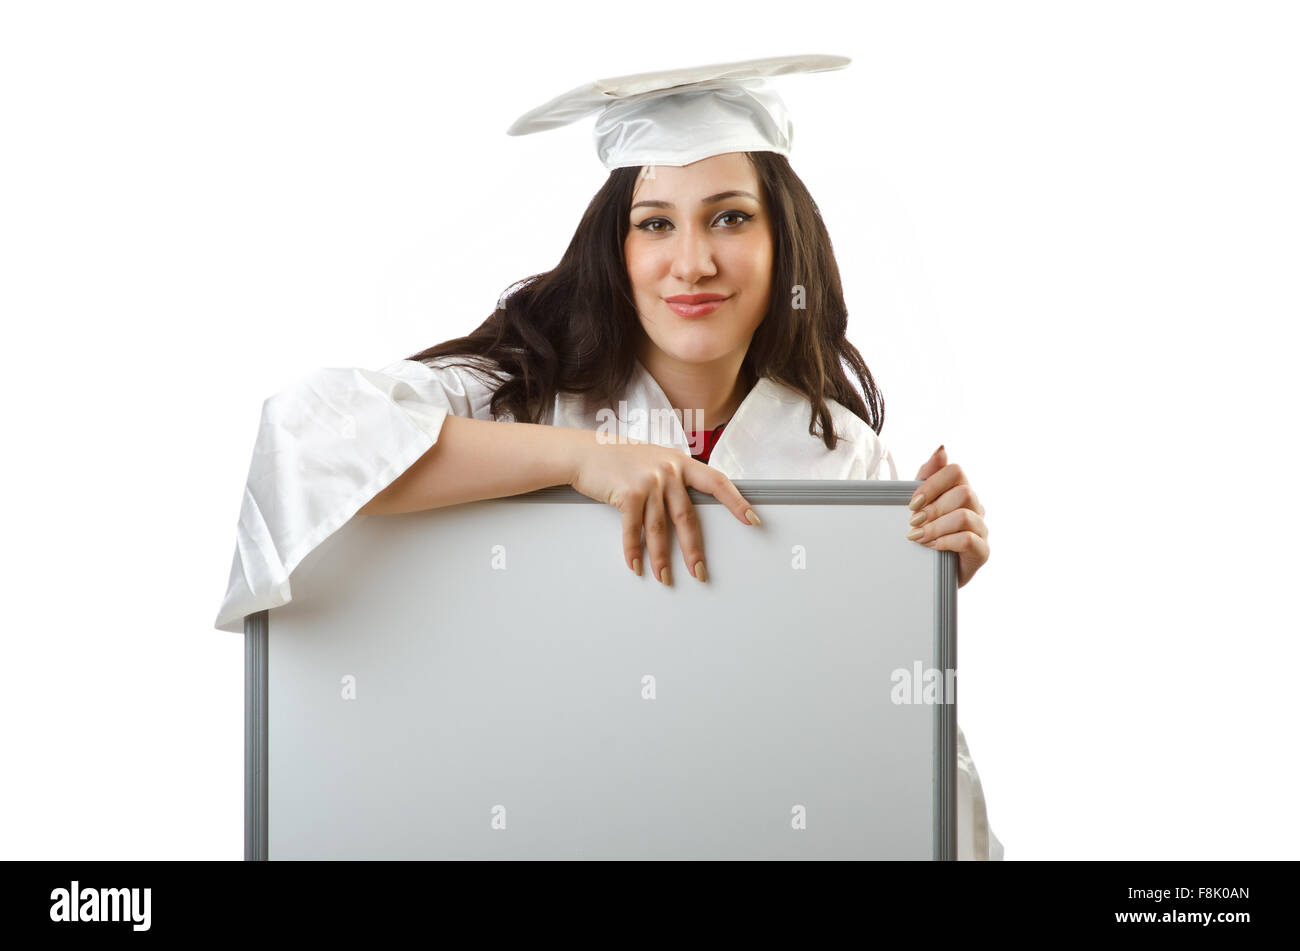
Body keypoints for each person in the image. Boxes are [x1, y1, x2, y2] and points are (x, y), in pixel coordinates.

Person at [213, 54, 1003, 860]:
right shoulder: (525, 397)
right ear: (616, 248)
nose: (691, 262)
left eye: (730, 217)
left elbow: (865, 734)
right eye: (655, 222)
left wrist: (914, 590)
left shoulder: (840, 451)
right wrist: (579, 458)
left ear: (782, 240)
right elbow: (309, 438)